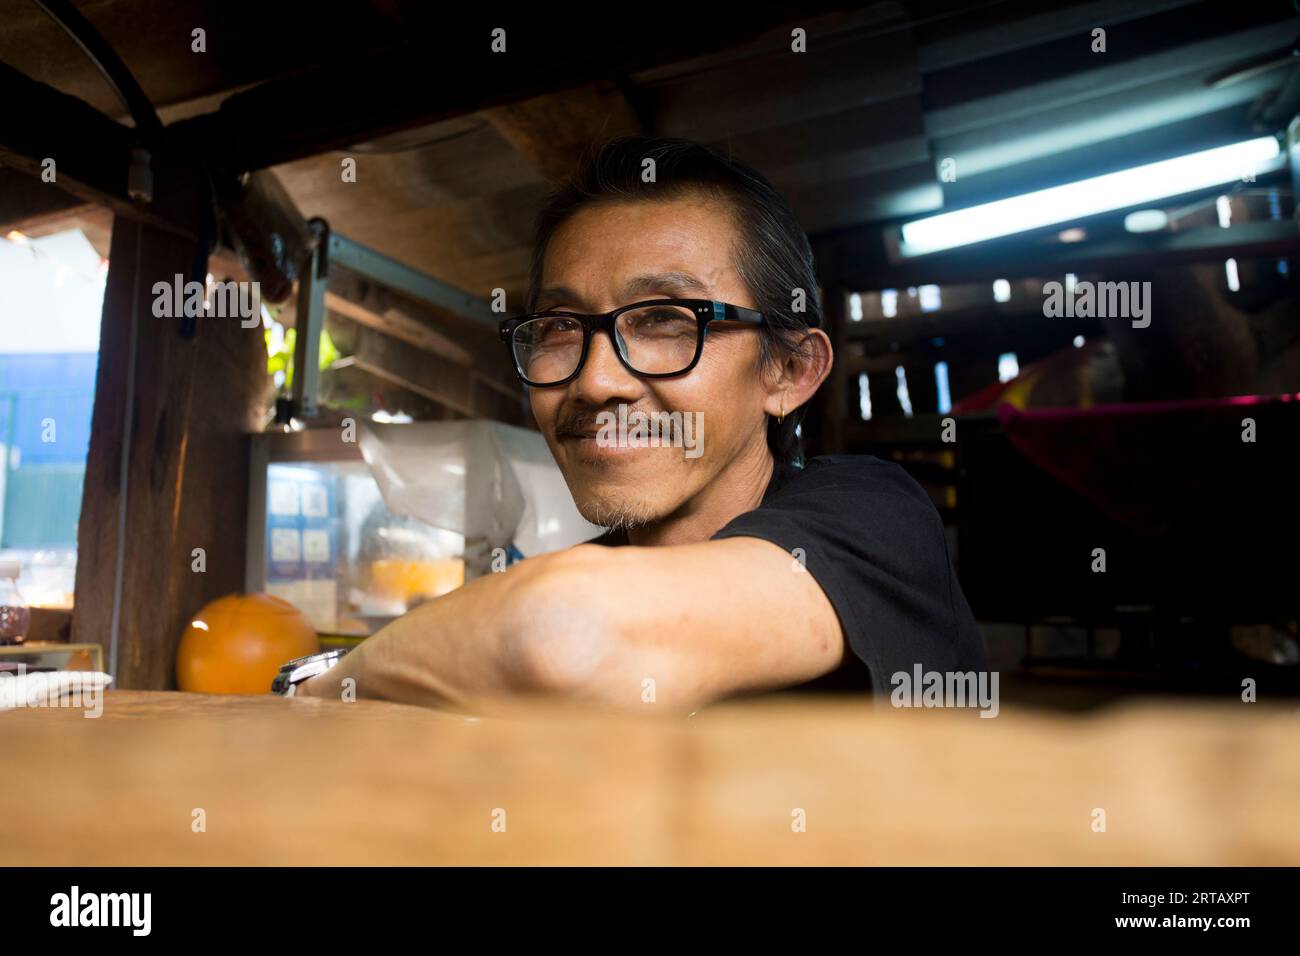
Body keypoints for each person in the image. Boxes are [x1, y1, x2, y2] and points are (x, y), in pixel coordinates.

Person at [298, 136, 987, 711]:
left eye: (666, 321)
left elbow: (561, 634)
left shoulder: (876, 523)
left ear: (788, 371)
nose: (596, 380)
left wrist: (327, 683)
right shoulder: (585, 572)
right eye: (562, 327)